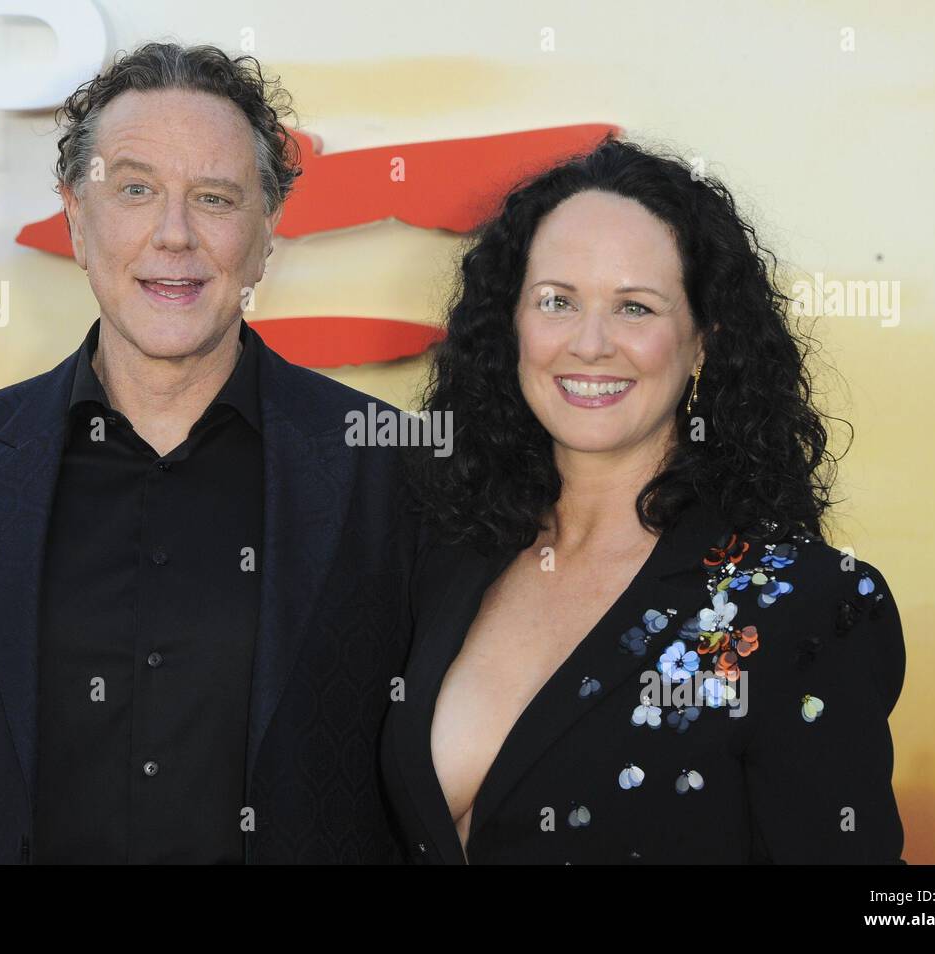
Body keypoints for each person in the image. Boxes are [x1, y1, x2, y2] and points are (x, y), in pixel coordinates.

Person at [0, 42, 416, 864]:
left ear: (267, 234)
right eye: (134, 190)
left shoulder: (385, 471)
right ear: (75, 221)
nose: (173, 235)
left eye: (215, 198)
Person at [381, 137, 907, 864]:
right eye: (557, 301)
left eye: (635, 308)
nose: (590, 344)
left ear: (703, 344)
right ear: (512, 324)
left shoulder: (803, 606)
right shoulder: (441, 552)